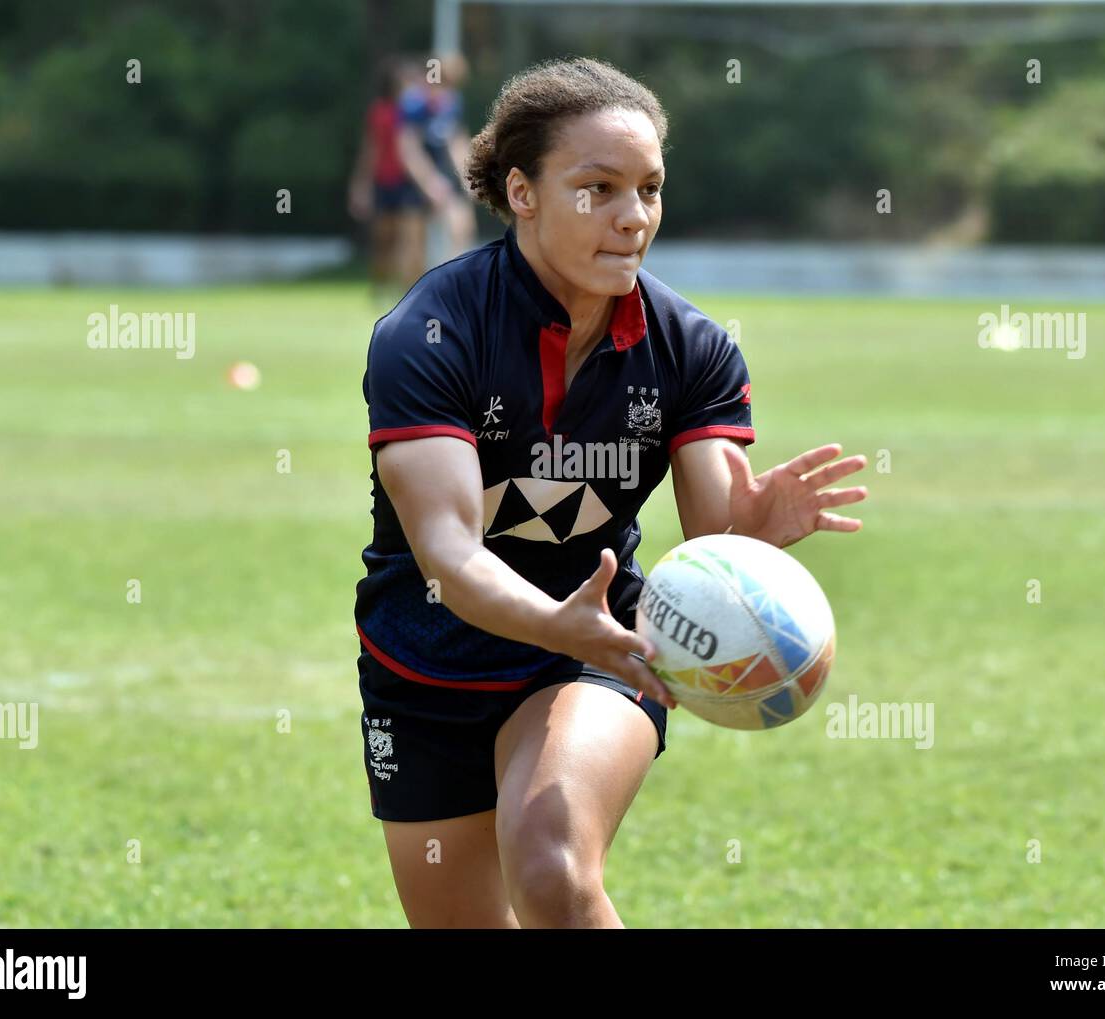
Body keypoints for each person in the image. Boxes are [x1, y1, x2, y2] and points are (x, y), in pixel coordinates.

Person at [354, 56, 868, 929]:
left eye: (650, 190)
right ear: (522, 192)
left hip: (598, 648)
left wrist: (749, 530)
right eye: (598, 188)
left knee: (551, 863)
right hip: (424, 660)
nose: (634, 217)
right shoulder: (431, 333)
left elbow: (713, 533)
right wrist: (552, 617)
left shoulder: (691, 347)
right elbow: (448, 553)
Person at [347, 56, 426, 290]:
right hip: (385, 180)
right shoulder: (380, 112)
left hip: (409, 182)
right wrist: (361, 185)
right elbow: (370, 149)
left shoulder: (415, 112)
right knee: (384, 238)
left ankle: (412, 290)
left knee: (412, 237)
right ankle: (381, 284)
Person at [394, 51, 477, 273]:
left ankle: (452, 283)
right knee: (414, 244)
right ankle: (412, 290)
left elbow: (457, 142)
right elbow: (409, 150)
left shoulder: (452, 102)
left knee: (461, 226)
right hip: (415, 176)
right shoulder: (412, 104)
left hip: (442, 168)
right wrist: (429, 182)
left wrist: (469, 176)